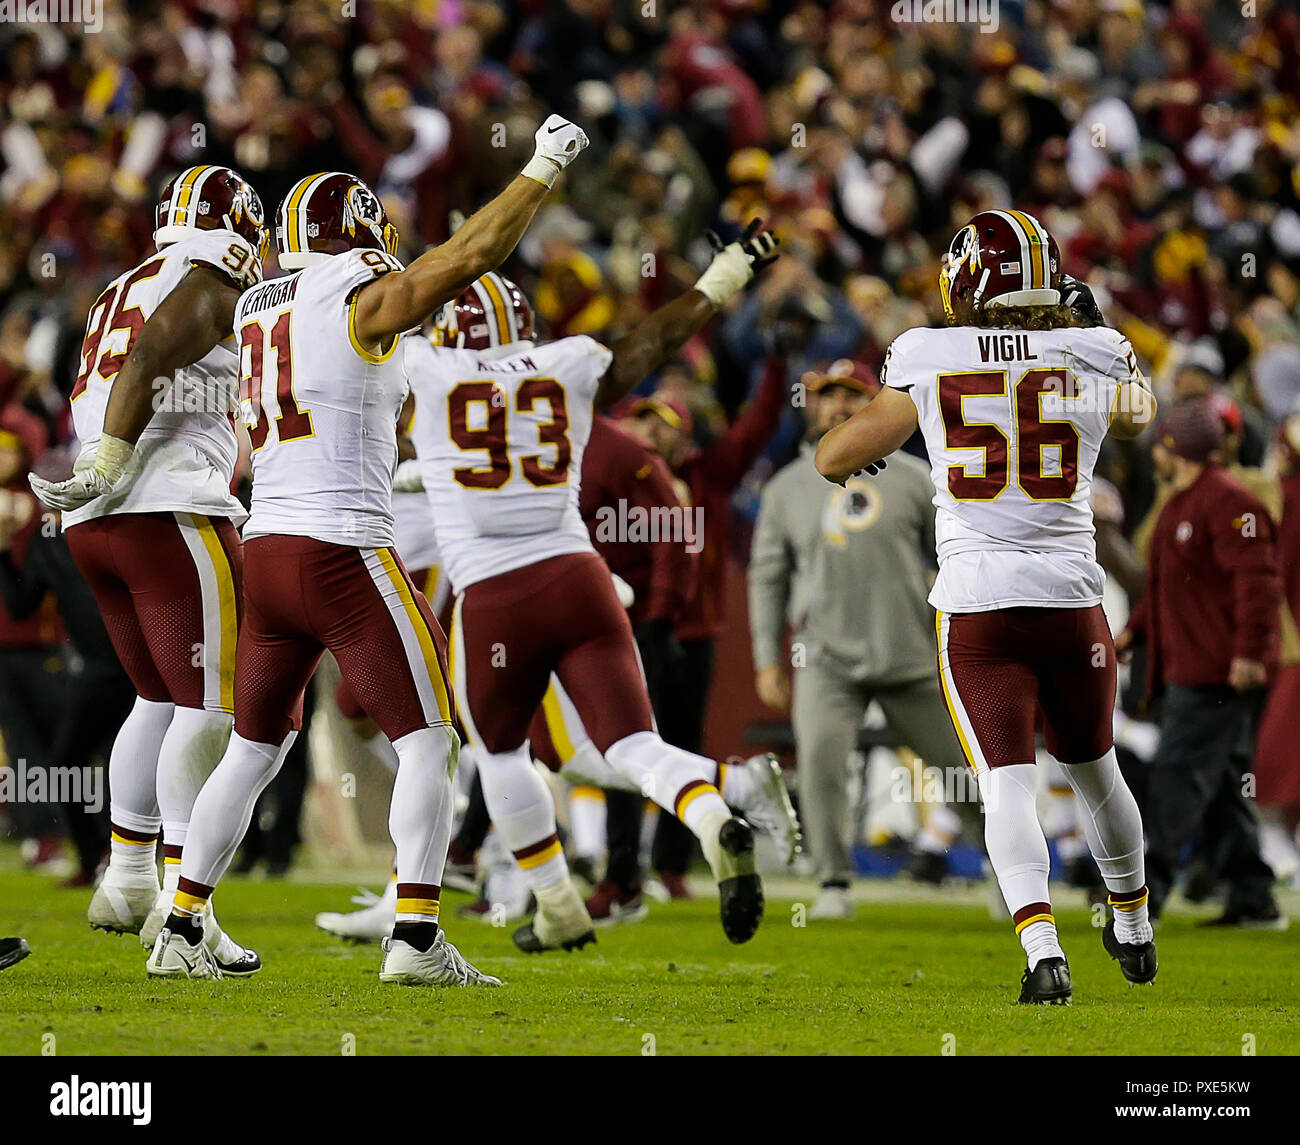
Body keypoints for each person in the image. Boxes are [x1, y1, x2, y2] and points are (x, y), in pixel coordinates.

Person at [144, 114, 591, 985]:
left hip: (265, 545)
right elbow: (465, 260)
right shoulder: (356, 298)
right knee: (432, 738)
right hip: (342, 549)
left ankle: (183, 919)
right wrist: (542, 166)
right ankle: (417, 938)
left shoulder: (258, 305)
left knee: (252, 748)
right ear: (361, 234)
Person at [403, 219, 780, 954]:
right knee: (633, 743)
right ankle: (709, 816)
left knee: (502, 754)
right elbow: (656, 342)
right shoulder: (568, 362)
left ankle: (557, 906)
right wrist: (726, 272)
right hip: (580, 576)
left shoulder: (423, 365)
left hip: (495, 593)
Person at [816, 209, 1159, 1004]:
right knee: (1095, 767)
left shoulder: (928, 353)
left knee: (1006, 782)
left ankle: (1044, 952)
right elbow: (1142, 417)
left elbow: (838, 453)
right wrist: (1099, 337)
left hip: (979, 600)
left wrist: (862, 455)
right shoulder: (1095, 349)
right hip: (1073, 596)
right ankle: (1134, 920)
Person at [29, 165, 268, 973]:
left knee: (158, 697)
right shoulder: (212, 273)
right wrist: (112, 455)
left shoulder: (121, 282)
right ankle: (179, 906)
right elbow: (155, 352)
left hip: (96, 525)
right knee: (216, 705)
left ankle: (127, 874)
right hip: (167, 503)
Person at [749, 359, 965, 918]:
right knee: (821, 765)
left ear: (876, 406)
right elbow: (767, 577)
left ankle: (1007, 872)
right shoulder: (786, 487)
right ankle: (833, 882)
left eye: (851, 397)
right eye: (826, 396)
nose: (837, 407)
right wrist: (766, 659)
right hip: (826, 659)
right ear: (812, 405)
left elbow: (954, 559)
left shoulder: (917, 477)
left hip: (910, 654)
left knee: (964, 771)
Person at [1117, 398, 1286, 927]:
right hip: (1191, 666)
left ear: (1176, 448)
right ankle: (1252, 893)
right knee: (1222, 782)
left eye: (1161, 445)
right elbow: (1166, 589)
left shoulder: (1230, 503)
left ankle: (1147, 895)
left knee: (1177, 776)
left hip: (1217, 671)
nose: (1155, 458)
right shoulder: (1182, 503)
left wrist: (1249, 655)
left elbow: (1258, 586)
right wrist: (1133, 631)